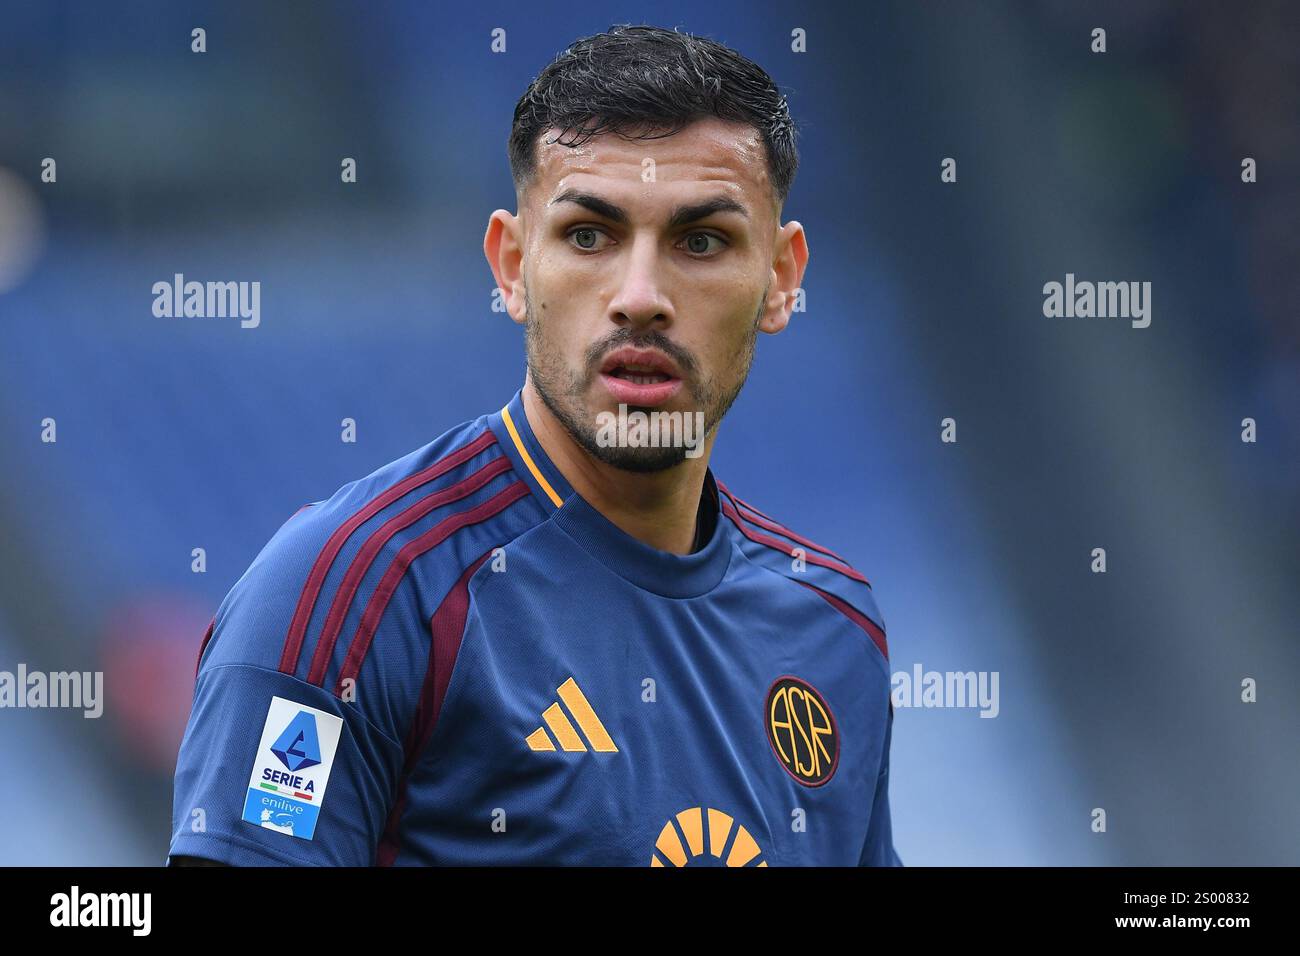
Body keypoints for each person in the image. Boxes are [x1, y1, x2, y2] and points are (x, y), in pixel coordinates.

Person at [169, 23, 900, 867]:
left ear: (781, 279)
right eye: (589, 235)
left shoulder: (834, 627)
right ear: (513, 266)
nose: (639, 297)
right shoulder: (355, 589)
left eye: (701, 241)